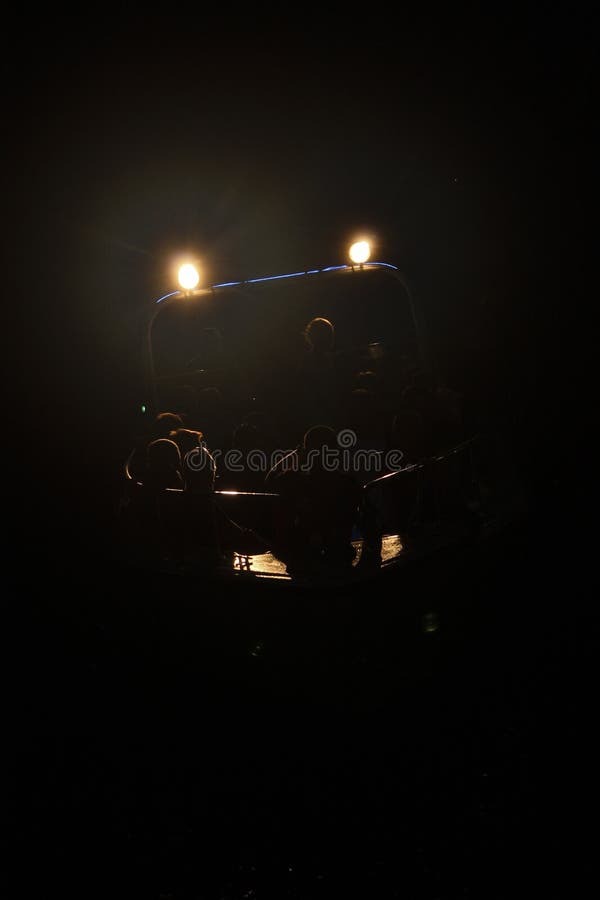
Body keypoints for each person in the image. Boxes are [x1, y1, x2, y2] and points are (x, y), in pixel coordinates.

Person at [268, 425, 361, 572]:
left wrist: (296, 457)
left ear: (306, 452)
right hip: (340, 558)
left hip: (303, 560)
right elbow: (366, 520)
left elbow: (269, 480)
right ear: (335, 452)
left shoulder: (291, 481)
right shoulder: (348, 483)